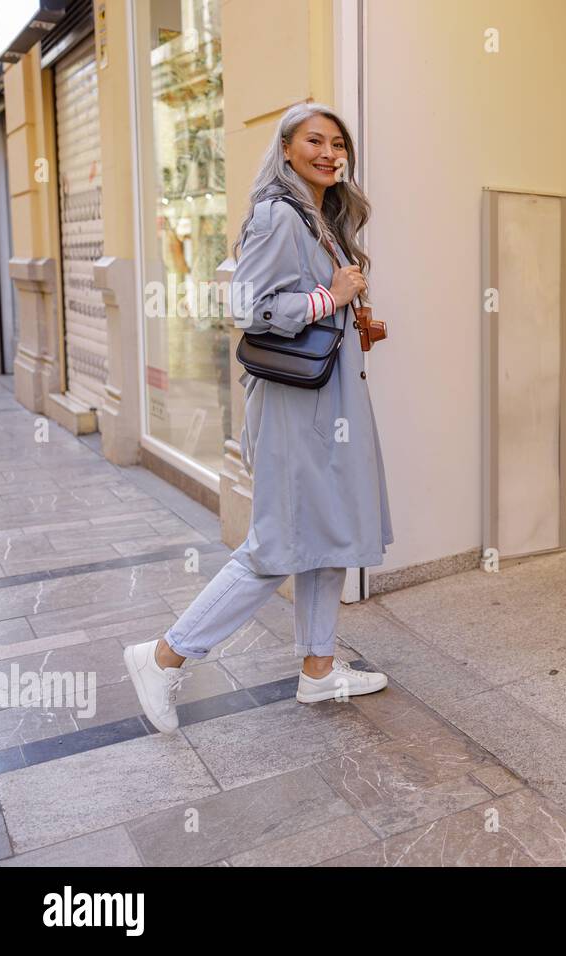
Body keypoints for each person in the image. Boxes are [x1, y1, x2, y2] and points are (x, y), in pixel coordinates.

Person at [124, 103, 394, 733]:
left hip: (325, 402)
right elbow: (247, 305)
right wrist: (333, 295)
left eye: (337, 143)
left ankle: (319, 671)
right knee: (276, 546)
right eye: (314, 141)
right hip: (294, 406)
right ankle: (164, 657)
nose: (329, 152)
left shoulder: (318, 215)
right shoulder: (279, 214)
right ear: (287, 148)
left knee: (329, 537)